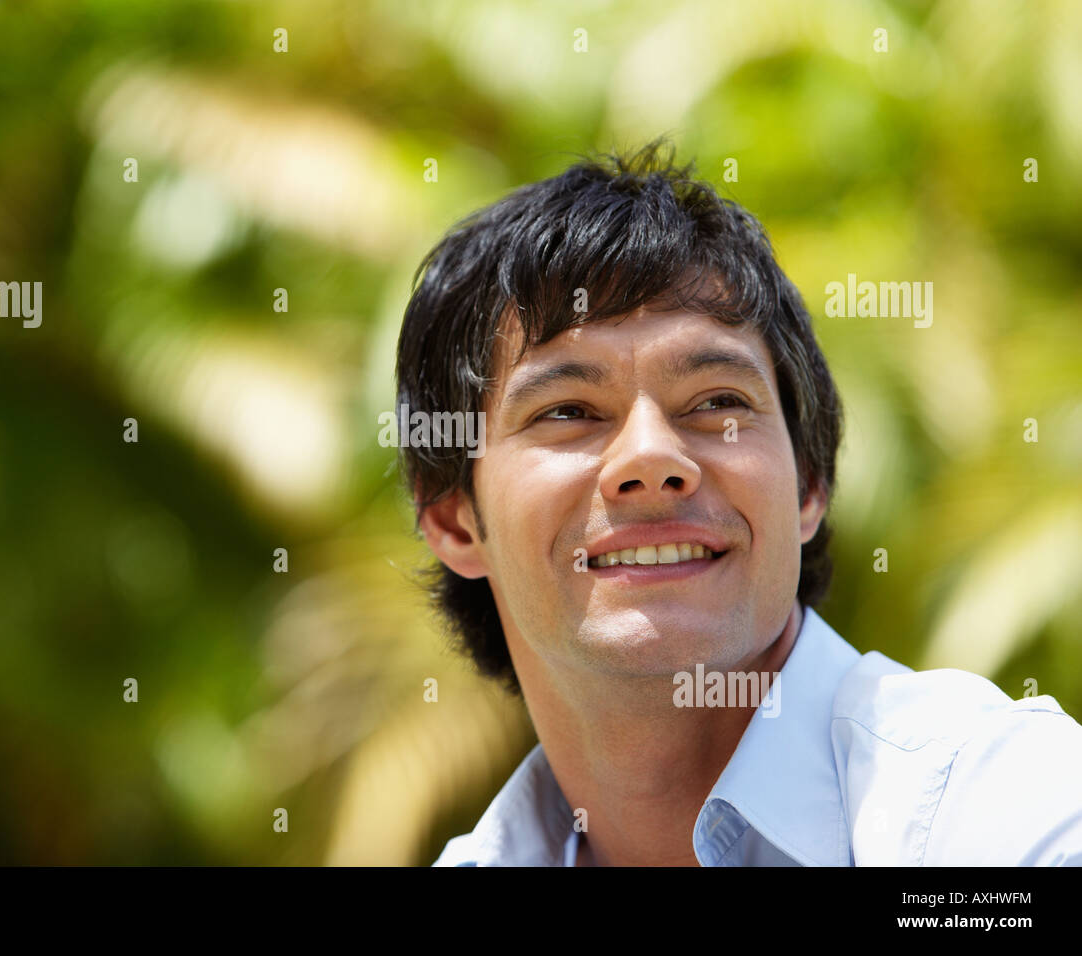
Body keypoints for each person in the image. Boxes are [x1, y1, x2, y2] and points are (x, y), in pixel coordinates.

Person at [393, 140, 1082, 866]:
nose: (651, 458)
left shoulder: (1007, 806)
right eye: (567, 411)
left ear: (809, 483)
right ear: (452, 519)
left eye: (717, 402)